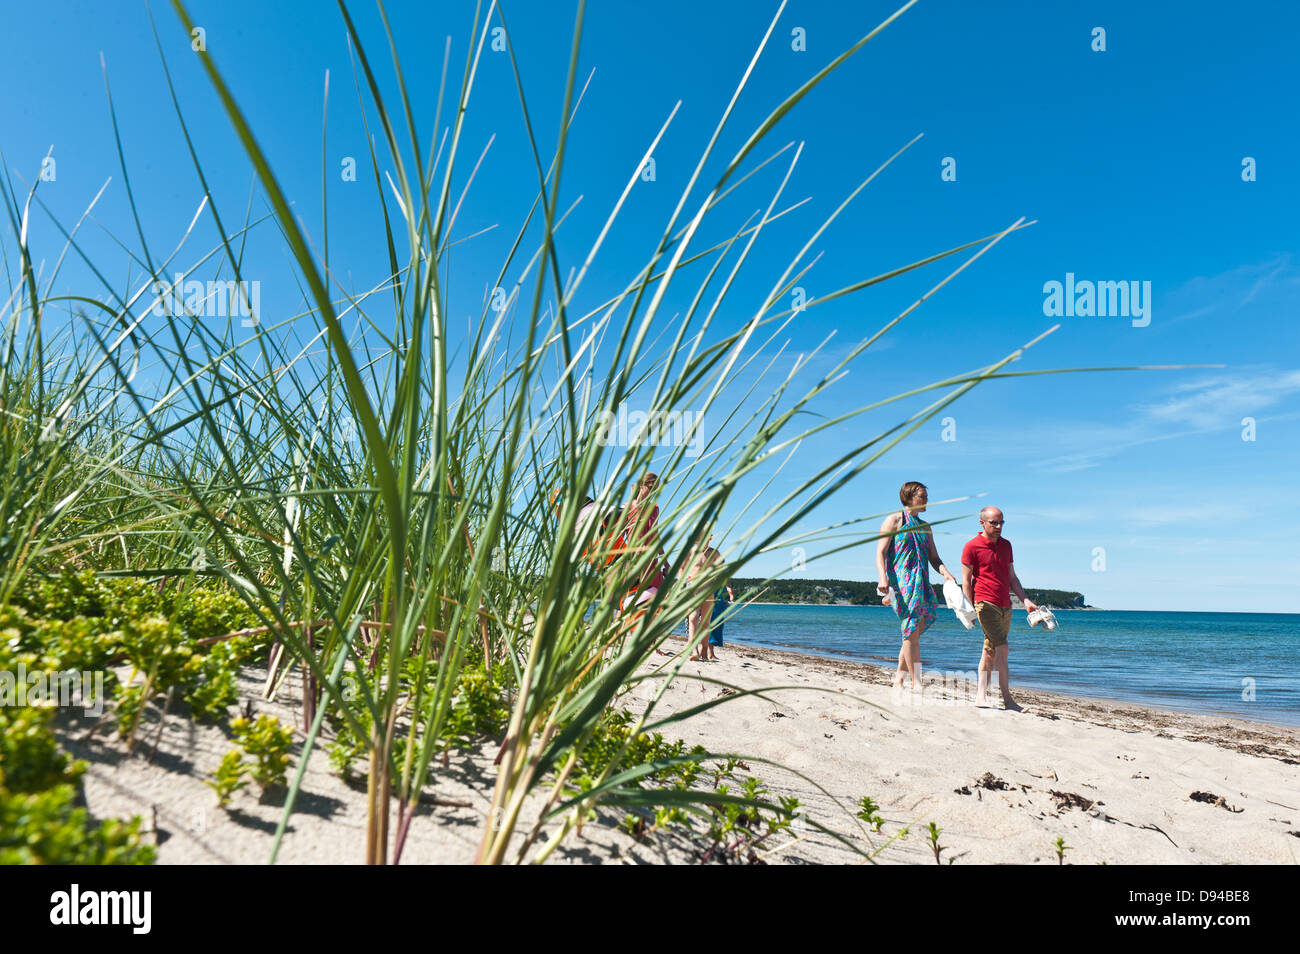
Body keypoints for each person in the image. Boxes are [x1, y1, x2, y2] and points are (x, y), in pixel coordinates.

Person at [875, 481, 956, 692]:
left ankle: (898, 680)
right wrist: (882, 578)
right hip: (901, 584)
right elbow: (880, 552)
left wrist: (946, 572)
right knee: (910, 630)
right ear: (909, 497)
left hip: (921, 583)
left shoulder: (925, 527)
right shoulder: (894, 520)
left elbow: (934, 557)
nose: (927, 499)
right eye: (922, 496)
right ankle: (916, 682)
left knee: (913, 632)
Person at [961, 505, 1039, 711]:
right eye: (993, 522)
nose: (998, 526)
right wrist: (968, 610)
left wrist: (1026, 601)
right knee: (1002, 648)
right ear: (982, 523)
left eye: (1001, 522)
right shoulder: (971, 546)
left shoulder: (1006, 545)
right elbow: (966, 581)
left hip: (1005, 605)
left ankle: (980, 696)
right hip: (984, 604)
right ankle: (1008, 700)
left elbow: (1012, 577)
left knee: (990, 651)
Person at [704, 575, 735, 661]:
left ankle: (711, 653)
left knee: (718, 627)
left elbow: (728, 586)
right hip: (712, 603)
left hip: (720, 604)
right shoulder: (711, 573)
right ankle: (708, 652)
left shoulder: (724, 575)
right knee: (711, 627)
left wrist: (731, 596)